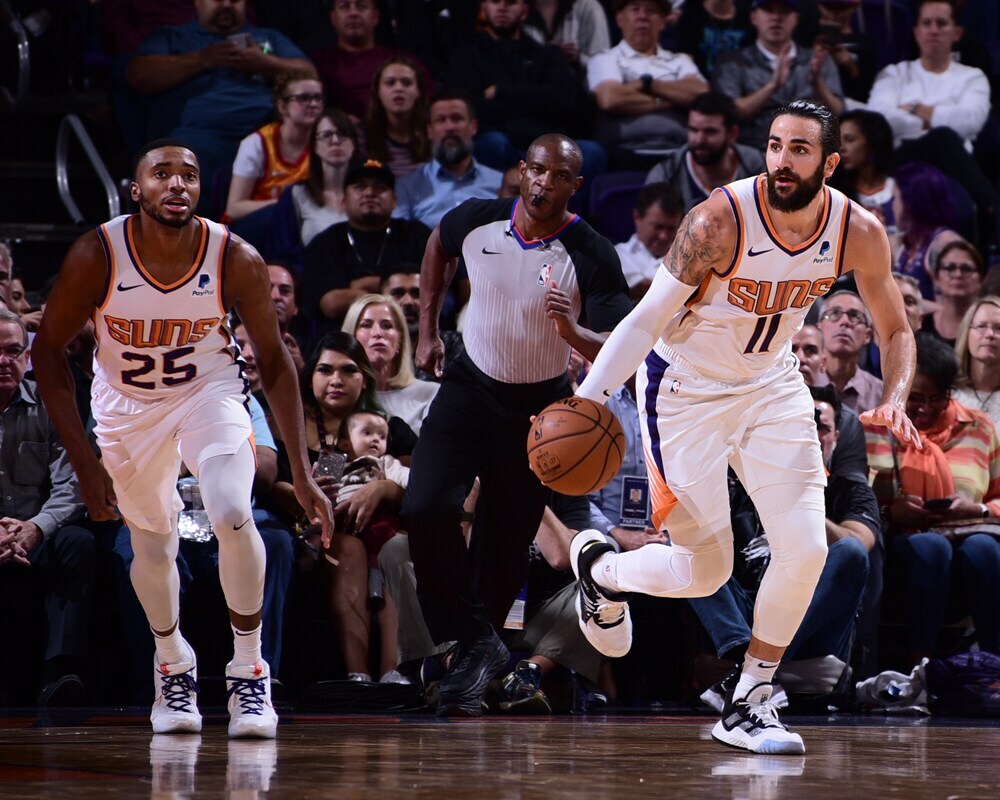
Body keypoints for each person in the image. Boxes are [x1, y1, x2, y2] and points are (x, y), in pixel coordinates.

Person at [566, 100, 919, 754]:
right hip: (682, 390)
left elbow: (895, 328)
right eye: (777, 146)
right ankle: (603, 574)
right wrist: (590, 399)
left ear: (830, 162)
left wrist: (894, 396)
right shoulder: (718, 219)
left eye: (801, 150)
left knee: (809, 548)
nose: (783, 161)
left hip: (771, 385)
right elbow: (644, 320)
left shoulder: (858, 230)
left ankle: (749, 700)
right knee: (704, 571)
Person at [32, 139, 333, 739]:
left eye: (189, 176)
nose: (177, 185)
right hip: (125, 408)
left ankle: (249, 669)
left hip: (209, 392)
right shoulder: (98, 253)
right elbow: (46, 354)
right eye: (162, 174)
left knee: (230, 509)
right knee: (153, 543)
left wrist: (300, 471)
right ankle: (173, 663)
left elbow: (274, 363)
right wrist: (86, 464)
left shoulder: (234, 256)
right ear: (135, 189)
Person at [402, 133, 632, 717]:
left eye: (556, 176)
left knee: (503, 549)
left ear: (573, 185)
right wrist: (427, 330)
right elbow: (436, 246)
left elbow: (617, 345)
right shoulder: (477, 220)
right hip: (468, 387)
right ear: (521, 172)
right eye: (534, 171)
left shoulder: (592, 251)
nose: (541, 183)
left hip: (539, 412)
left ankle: (469, 669)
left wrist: (572, 331)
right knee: (424, 506)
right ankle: (479, 641)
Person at [690, 386, 879, 709]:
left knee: (850, 554)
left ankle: (751, 670)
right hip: (750, 618)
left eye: (822, 427)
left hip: (812, 628)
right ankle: (745, 659)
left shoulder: (851, 490)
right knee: (691, 545)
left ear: (835, 436)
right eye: (805, 423)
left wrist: (799, 493)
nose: (814, 434)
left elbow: (859, 542)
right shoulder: (744, 481)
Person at [266, 334, 413, 683]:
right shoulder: (286, 426)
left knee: (397, 547)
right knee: (347, 548)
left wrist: (382, 488)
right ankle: (357, 675)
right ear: (310, 376)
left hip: (382, 533)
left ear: (365, 378)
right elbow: (268, 487)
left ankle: (393, 673)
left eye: (348, 370)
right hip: (311, 540)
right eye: (325, 370)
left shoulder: (388, 429)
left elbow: (420, 488)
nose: (336, 380)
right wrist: (302, 494)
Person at [866, 333, 999, 665]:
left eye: (936, 399)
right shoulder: (877, 426)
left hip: (968, 538)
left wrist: (979, 509)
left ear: (949, 393)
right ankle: (919, 667)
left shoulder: (979, 428)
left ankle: (993, 666)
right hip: (901, 549)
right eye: (915, 398)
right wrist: (890, 510)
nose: (924, 409)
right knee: (931, 547)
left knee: (983, 548)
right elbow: (856, 499)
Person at [125, 0, 313, 213]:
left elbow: (309, 75)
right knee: (181, 158)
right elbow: (139, 75)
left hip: (266, 133)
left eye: (235, 0)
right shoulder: (173, 37)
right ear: (197, 3)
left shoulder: (267, 37)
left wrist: (266, 64)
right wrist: (202, 60)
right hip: (201, 135)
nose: (226, 5)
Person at [0, 309, 93, 707]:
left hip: (36, 532)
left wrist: (34, 528)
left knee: (78, 541)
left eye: (13, 351)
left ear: (28, 356)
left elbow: (72, 486)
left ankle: (60, 676)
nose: (4, 361)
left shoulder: (52, 404)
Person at [445, 0, 601, 182]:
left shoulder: (547, 55)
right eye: (495, 1)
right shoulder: (467, 57)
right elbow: (474, 108)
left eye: (511, 2)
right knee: (492, 142)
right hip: (500, 141)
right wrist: (533, 100)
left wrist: (501, 92)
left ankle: (570, 210)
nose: (502, 7)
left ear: (525, 12)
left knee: (591, 151)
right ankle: (498, 208)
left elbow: (563, 101)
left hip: (546, 141)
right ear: (483, 8)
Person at [302, 160, 431, 327]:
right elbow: (331, 304)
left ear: (394, 201)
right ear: (343, 202)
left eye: (380, 187)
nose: (370, 192)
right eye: (359, 187)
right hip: (343, 338)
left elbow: (430, 291)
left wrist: (358, 286)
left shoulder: (415, 234)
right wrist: (392, 292)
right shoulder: (325, 243)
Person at [587, 0, 709, 164]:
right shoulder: (605, 58)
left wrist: (647, 85)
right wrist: (673, 99)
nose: (643, 16)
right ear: (619, 19)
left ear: (663, 22)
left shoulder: (679, 61)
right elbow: (611, 99)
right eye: (635, 9)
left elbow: (703, 96)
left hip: (681, 151)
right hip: (623, 152)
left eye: (651, 11)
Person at [712, 0, 844, 150]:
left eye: (784, 11)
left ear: (797, 19)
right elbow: (731, 114)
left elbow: (838, 113)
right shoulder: (731, 63)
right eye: (768, 10)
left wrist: (816, 83)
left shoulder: (819, 60)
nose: (776, 17)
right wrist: (772, 85)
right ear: (753, 17)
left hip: (807, 149)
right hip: (751, 151)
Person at [866, 0, 990, 153]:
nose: (933, 30)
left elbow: (969, 122)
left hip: (951, 163)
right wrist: (941, 119)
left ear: (957, 33)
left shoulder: (973, 78)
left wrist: (913, 108)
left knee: (945, 139)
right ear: (916, 33)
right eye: (926, 23)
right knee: (943, 136)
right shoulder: (893, 74)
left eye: (941, 23)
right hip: (901, 161)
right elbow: (878, 122)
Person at [224, 70, 324, 247]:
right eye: (304, 98)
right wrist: (286, 204)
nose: (313, 104)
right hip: (259, 226)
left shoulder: (325, 142)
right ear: (282, 106)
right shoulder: (257, 143)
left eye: (318, 98)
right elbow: (235, 208)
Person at [264, 108, 361, 270]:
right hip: (311, 280)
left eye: (343, 133)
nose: (335, 140)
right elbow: (279, 254)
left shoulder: (367, 194)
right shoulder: (296, 194)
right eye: (326, 135)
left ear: (354, 144)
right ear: (315, 146)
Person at [394, 91, 505, 230]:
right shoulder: (407, 187)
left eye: (457, 118)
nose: (449, 127)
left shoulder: (499, 182)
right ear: (429, 131)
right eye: (441, 120)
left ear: (473, 127)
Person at [643, 90, 765, 214]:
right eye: (693, 130)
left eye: (710, 132)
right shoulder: (665, 176)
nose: (699, 140)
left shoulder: (759, 168)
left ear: (732, 134)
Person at [309, 0, 432, 122]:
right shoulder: (316, 64)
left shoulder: (404, 63)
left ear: (375, 16)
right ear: (333, 17)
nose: (353, 13)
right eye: (344, 7)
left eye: (362, 6)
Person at [342, 294, 439, 436]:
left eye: (387, 326)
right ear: (351, 337)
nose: (377, 333)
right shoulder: (341, 396)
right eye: (366, 325)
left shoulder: (431, 394)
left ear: (400, 339)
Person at [892, 162, 962, 301]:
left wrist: (905, 306)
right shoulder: (910, 244)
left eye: (895, 198)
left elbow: (954, 309)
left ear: (909, 202)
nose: (892, 206)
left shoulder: (946, 244)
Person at [363, 56, 432, 179]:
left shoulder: (434, 135)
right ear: (378, 91)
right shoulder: (362, 137)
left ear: (418, 91)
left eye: (407, 83)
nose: (398, 88)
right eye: (390, 83)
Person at [816, 290, 884, 414]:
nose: (845, 321)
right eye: (834, 313)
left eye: (855, 316)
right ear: (819, 328)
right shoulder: (800, 385)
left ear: (867, 335)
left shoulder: (882, 397)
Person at [614, 182, 684, 300]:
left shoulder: (688, 261)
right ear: (637, 217)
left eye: (671, 229)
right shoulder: (614, 257)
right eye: (658, 227)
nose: (664, 236)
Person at [830, 109, 896, 231]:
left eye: (849, 139)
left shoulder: (899, 189)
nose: (841, 148)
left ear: (873, 142)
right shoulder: (835, 195)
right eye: (839, 142)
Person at [953, 296, 1000, 429]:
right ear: (966, 333)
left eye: (999, 328)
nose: (990, 334)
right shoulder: (947, 393)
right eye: (981, 326)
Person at [675, 0, 755, 78]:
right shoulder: (691, 14)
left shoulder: (747, 16)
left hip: (739, 82)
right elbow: (686, 58)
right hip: (700, 82)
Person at [523, 0, 612, 70]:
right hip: (531, 91)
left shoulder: (588, 7)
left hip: (579, 91)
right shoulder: (516, 12)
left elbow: (605, 70)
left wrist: (578, 59)